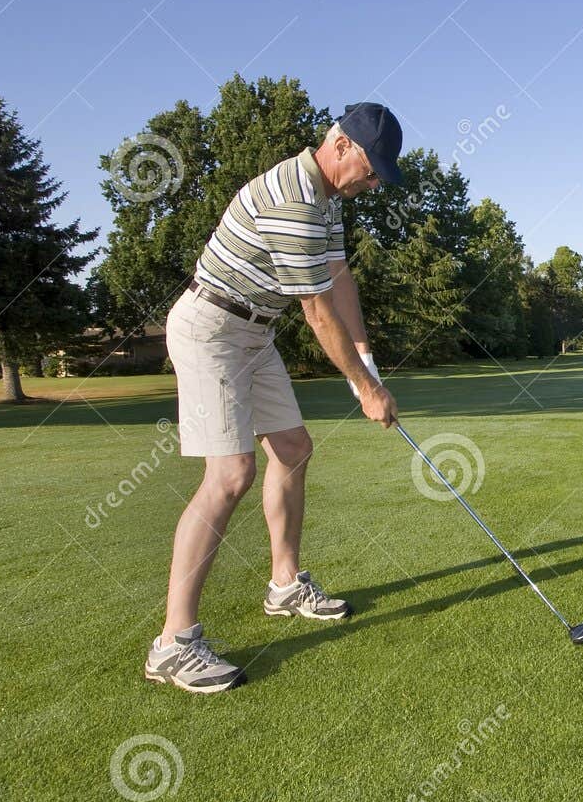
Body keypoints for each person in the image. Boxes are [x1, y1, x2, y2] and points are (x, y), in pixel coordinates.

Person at [144, 102, 403, 693]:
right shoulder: (295, 199)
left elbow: (339, 278)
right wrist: (365, 391)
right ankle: (173, 643)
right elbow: (315, 311)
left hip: (254, 332)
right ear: (340, 146)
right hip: (211, 328)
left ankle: (284, 584)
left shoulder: (328, 199)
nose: (372, 184)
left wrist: (365, 359)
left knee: (292, 447)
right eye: (370, 170)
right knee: (230, 475)